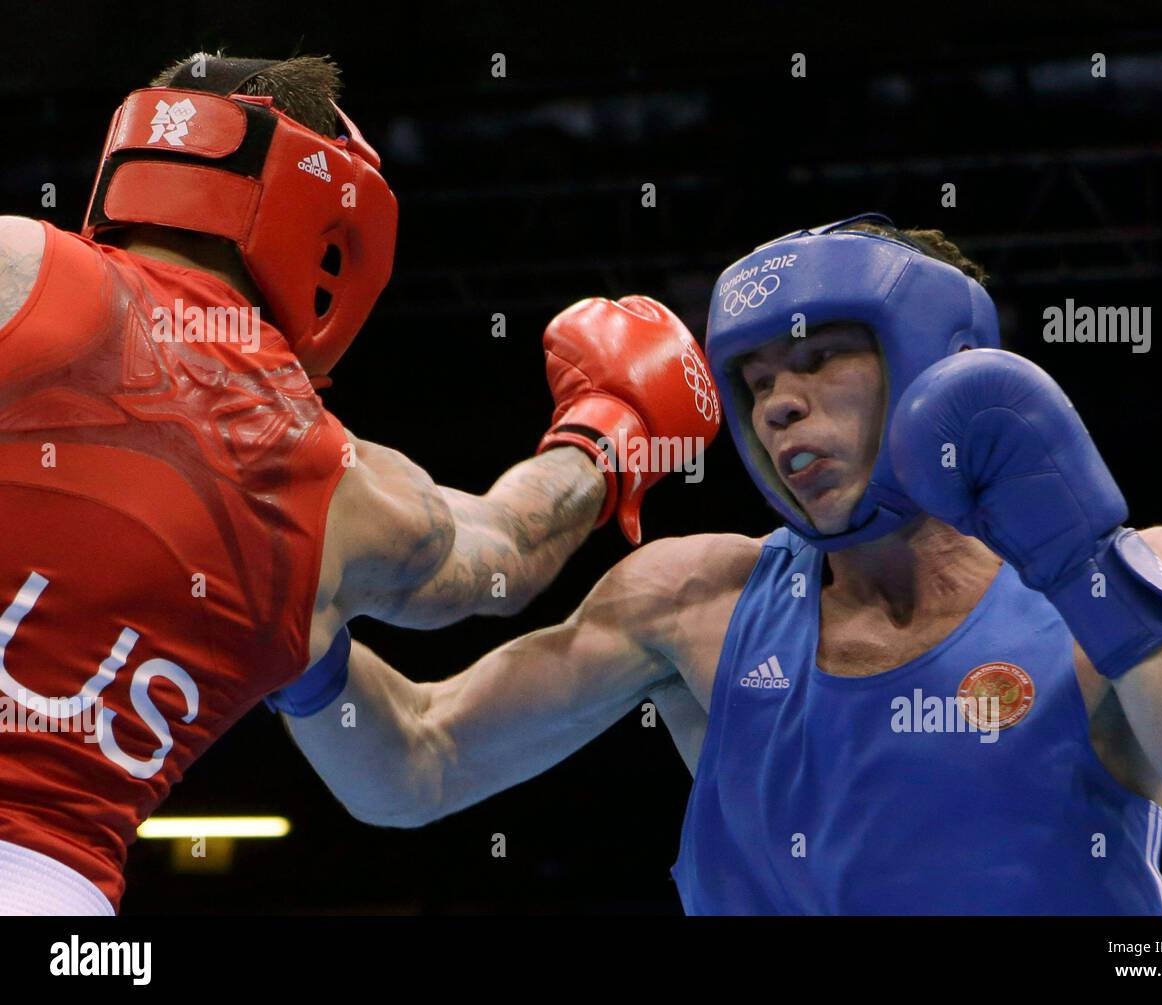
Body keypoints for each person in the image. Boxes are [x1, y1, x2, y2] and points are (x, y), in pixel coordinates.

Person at [292, 213, 1162, 914]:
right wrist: (283, 608)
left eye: (819, 359)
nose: (776, 405)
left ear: (934, 361)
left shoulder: (1141, 578)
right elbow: (413, 765)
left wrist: (1086, 561)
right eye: (756, 379)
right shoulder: (692, 604)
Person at [0, 53, 719, 915]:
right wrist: (608, 434)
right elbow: (509, 550)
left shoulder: (16, 263)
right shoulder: (344, 497)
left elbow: (414, 756)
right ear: (333, 231)